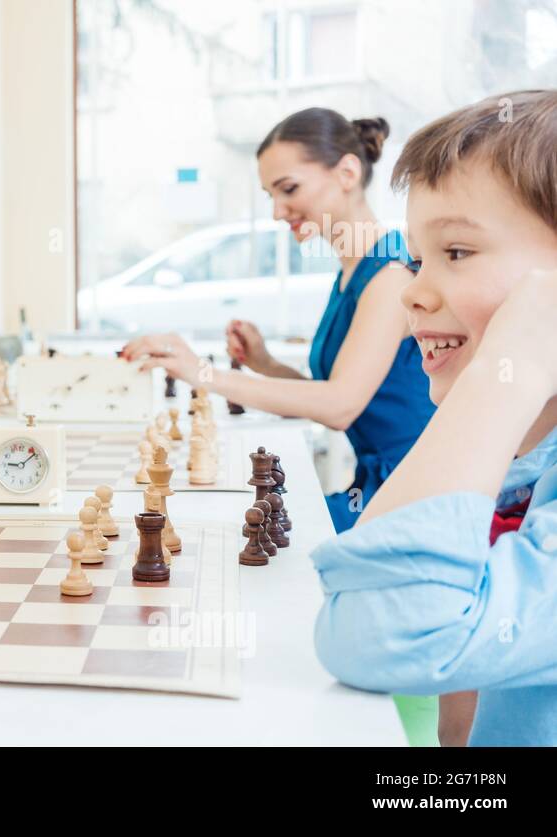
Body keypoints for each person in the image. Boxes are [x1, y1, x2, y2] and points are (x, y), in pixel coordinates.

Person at [310, 91, 557, 746]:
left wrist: (506, 373)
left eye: (457, 252)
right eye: (418, 259)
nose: (411, 290)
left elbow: (376, 632)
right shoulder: (517, 460)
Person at [121, 108, 435, 533]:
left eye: (288, 189)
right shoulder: (353, 271)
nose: (277, 210)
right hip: (375, 486)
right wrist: (264, 363)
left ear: (347, 172)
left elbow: (341, 406)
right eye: (270, 194)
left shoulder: (389, 274)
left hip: (412, 496)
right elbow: (338, 395)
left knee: (238, 533)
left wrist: (202, 372)